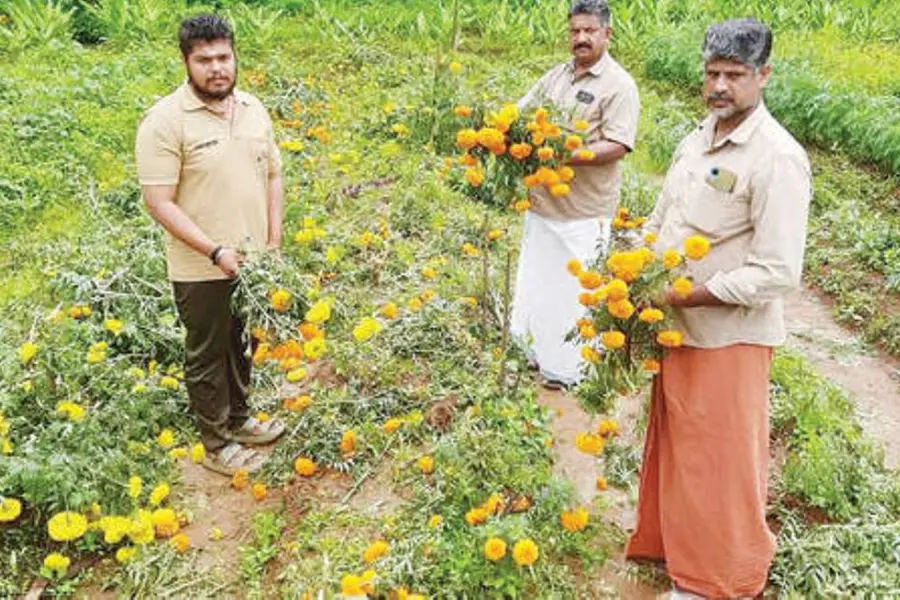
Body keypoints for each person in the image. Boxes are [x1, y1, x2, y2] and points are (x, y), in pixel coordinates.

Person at [625, 19, 812, 598]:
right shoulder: (697, 140)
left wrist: (690, 293)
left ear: (763, 75)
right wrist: (632, 262)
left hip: (729, 337)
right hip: (676, 328)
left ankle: (718, 581)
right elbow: (664, 217)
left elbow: (778, 271)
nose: (720, 86)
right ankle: (678, 553)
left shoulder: (777, 157)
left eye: (734, 74)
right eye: (712, 73)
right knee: (680, 447)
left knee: (721, 460)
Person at [135, 14, 286, 475]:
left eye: (224, 57)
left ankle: (239, 419)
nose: (217, 68)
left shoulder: (253, 108)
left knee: (243, 343)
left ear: (235, 56)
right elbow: (159, 202)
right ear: (186, 62)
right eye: (204, 60)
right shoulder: (165, 122)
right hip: (201, 266)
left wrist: (273, 240)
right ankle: (217, 443)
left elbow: (273, 175)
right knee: (208, 352)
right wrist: (215, 251)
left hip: (253, 261)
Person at [511, 0, 639, 390]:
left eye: (589, 31)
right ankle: (535, 354)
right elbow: (522, 114)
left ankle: (572, 372)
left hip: (584, 211)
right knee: (539, 287)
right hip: (543, 204)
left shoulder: (619, 86)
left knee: (575, 295)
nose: (581, 38)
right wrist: (506, 131)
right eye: (575, 31)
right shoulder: (557, 76)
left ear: (607, 34)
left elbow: (617, 144)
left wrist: (564, 152)